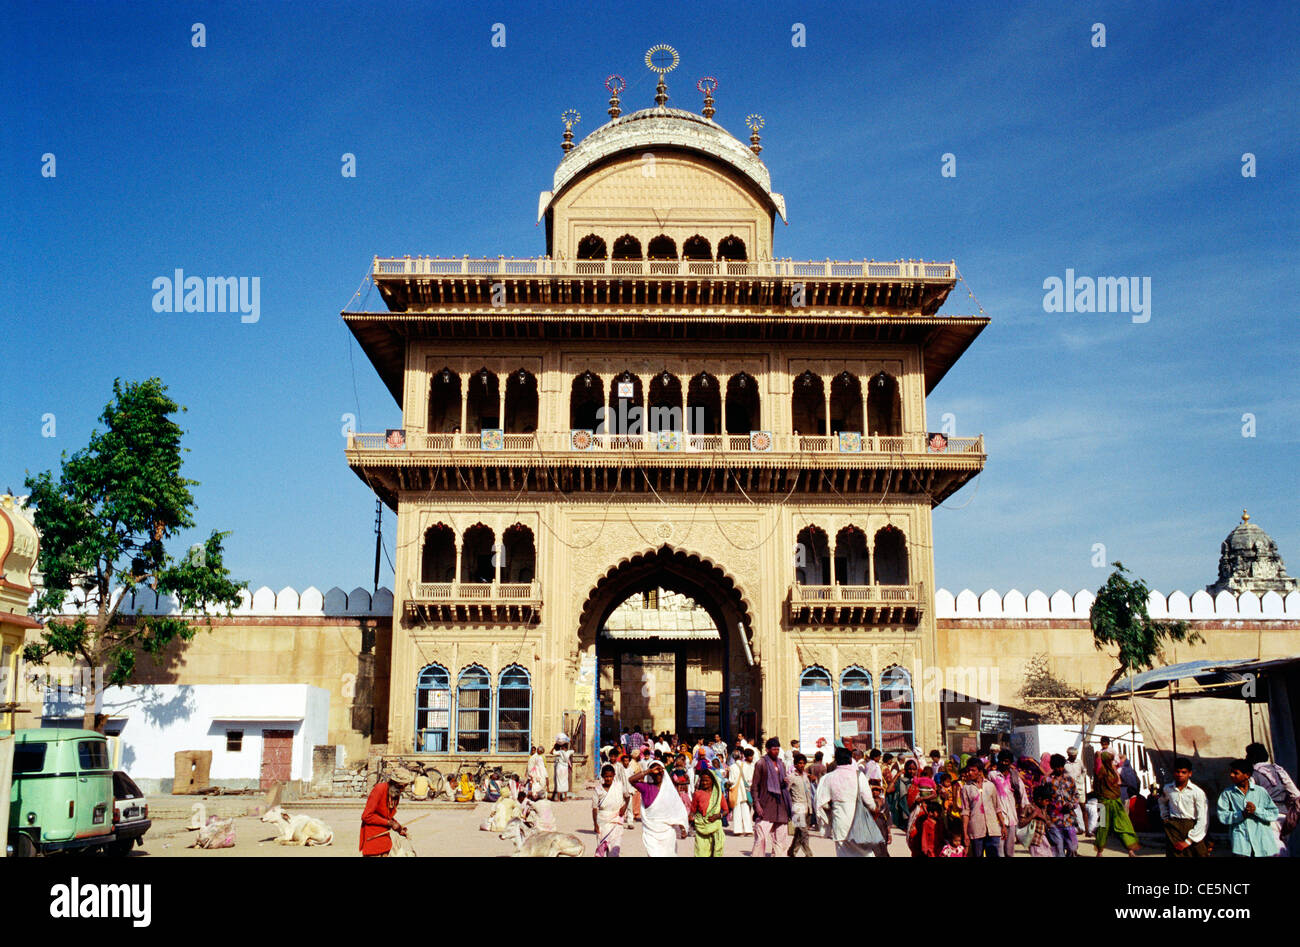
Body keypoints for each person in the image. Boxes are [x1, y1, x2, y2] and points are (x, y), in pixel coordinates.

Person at [815, 746, 884, 856]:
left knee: (843, 853)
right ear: (850, 759)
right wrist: (875, 808)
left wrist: (832, 808)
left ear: (836, 760)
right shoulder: (858, 776)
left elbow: (820, 803)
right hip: (858, 823)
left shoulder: (828, 778)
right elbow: (868, 800)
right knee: (865, 854)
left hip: (840, 823)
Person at [1245, 742, 1299, 856]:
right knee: (1281, 846)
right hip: (1284, 816)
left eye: (1248, 755)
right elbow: (1295, 793)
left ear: (1252, 757)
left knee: (1275, 850)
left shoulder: (1253, 775)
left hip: (1267, 817)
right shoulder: (1279, 770)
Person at [1217, 759, 1279, 857]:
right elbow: (1222, 816)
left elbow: (1273, 814)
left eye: (1236, 773)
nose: (1231, 775)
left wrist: (1256, 810)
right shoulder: (1227, 794)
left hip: (1262, 843)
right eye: (1231, 772)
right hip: (1241, 844)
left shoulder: (1260, 791)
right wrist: (1241, 814)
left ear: (1247, 775)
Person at [632, 759, 689, 856]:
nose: (657, 775)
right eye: (655, 773)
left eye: (659, 773)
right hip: (651, 831)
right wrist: (649, 771)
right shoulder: (646, 788)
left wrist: (682, 827)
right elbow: (631, 780)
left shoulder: (669, 791)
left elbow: (678, 810)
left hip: (667, 832)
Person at [750, 737, 794, 856]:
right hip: (766, 806)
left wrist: (786, 781)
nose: (776, 751)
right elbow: (754, 787)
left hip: (781, 806)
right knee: (761, 838)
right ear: (767, 749)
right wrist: (757, 805)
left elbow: (783, 784)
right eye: (774, 749)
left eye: (778, 749)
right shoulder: (761, 763)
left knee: (781, 840)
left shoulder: (781, 764)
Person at [1157, 757, 1207, 857]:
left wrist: (1189, 841)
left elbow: (1203, 819)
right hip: (1173, 827)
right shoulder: (1168, 789)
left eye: (1184, 772)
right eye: (1177, 772)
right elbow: (1162, 801)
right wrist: (1165, 817)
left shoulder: (1197, 792)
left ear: (1190, 773)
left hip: (1192, 827)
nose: (1180, 775)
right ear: (1173, 772)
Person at [1093, 750, 1140, 856]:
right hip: (1112, 802)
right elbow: (1122, 759)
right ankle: (1129, 850)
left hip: (1106, 802)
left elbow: (1098, 755)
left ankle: (1100, 852)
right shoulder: (1111, 771)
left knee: (1104, 827)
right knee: (1121, 825)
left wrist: (1100, 754)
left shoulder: (1100, 770)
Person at [960, 758, 1005, 858]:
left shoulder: (990, 786)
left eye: (973, 770)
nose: (969, 773)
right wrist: (965, 833)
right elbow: (965, 812)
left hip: (993, 830)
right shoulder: (966, 788)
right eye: (968, 770)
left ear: (980, 772)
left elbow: (997, 807)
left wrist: (1003, 825)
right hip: (976, 830)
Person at [988, 749, 1028, 856]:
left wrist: (1023, 814)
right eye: (1001, 760)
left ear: (1010, 762)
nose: (1003, 763)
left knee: (1009, 851)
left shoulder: (1015, 777)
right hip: (997, 817)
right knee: (999, 850)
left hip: (1012, 818)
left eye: (1006, 761)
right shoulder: (992, 775)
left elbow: (1023, 796)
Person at [360, 773, 409, 857]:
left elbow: (387, 815)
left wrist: (399, 828)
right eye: (401, 787)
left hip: (384, 837)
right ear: (394, 784)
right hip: (373, 836)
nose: (402, 790)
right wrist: (389, 823)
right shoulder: (379, 789)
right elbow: (366, 816)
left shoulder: (394, 795)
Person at [688, 767, 729, 857]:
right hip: (701, 827)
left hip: (715, 827)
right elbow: (693, 811)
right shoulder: (697, 794)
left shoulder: (718, 795)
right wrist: (691, 818)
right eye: (702, 780)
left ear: (713, 781)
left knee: (715, 852)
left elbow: (726, 810)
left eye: (707, 780)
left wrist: (718, 816)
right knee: (701, 852)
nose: (704, 783)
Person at [1046, 754, 1080, 857]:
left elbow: (1076, 795)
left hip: (1069, 819)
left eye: (1061, 766)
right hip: (1054, 820)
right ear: (1053, 767)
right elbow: (1043, 800)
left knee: (1072, 847)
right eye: (1057, 767)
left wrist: (1071, 805)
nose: (1059, 769)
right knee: (1058, 849)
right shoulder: (1047, 781)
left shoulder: (1069, 780)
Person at [593, 763, 629, 856]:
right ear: (602, 776)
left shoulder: (619, 786)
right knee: (602, 848)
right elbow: (594, 808)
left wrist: (624, 808)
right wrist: (596, 825)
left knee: (614, 848)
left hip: (616, 820)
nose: (608, 778)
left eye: (610, 776)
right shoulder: (598, 790)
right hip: (602, 821)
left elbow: (627, 797)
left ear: (614, 776)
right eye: (606, 776)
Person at [786, 752, 814, 857]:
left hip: (807, 807)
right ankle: (809, 854)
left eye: (803, 763)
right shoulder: (791, 777)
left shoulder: (806, 776)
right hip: (797, 808)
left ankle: (791, 851)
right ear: (795, 764)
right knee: (804, 833)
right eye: (799, 763)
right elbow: (786, 792)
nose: (801, 765)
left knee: (799, 833)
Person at [1021, 785, 1055, 857]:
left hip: (1043, 839)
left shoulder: (1043, 809)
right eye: (1046, 801)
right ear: (1039, 799)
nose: (1047, 803)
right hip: (1034, 840)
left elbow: (1049, 823)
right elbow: (1021, 823)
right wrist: (1032, 816)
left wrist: (1042, 817)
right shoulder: (1028, 807)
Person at [728, 748, 756, 836]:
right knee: (746, 810)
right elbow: (749, 778)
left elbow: (731, 780)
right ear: (741, 756)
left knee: (736, 810)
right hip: (744, 791)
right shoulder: (745, 765)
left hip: (736, 791)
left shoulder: (732, 767)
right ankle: (748, 830)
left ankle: (738, 830)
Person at [552, 736, 574, 802]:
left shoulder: (560, 752)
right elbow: (574, 750)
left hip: (559, 768)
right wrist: (571, 743)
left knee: (559, 782)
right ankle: (565, 798)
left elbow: (551, 752)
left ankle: (559, 799)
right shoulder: (568, 752)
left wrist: (554, 746)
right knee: (565, 782)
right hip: (565, 769)